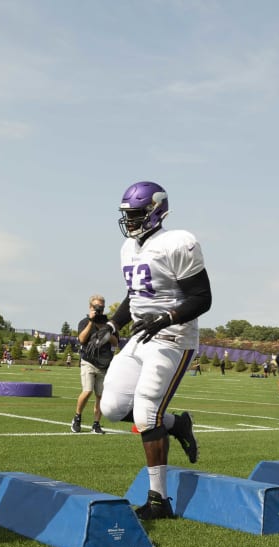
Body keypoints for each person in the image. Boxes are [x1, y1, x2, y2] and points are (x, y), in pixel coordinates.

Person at [99, 181, 210, 520]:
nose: (130, 221)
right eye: (126, 215)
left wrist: (165, 318)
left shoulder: (179, 242)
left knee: (147, 413)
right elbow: (135, 293)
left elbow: (202, 298)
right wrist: (113, 325)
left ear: (155, 211)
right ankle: (177, 423)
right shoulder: (127, 248)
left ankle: (159, 500)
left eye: (135, 214)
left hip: (173, 337)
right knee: (112, 407)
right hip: (142, 336)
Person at [72, 294, 119, 434]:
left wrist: (105, 329)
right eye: (95, 307)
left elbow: (116, 342)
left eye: (101, 307)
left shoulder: (109, 323)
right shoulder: (84, 322)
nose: (98, 310)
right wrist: (92, 322)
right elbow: (81, 339)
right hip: (88, 361)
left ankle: (96, 424)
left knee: (101, 396)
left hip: (104, 363)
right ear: (90, 307)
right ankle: (77, 417)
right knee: (87, 391)